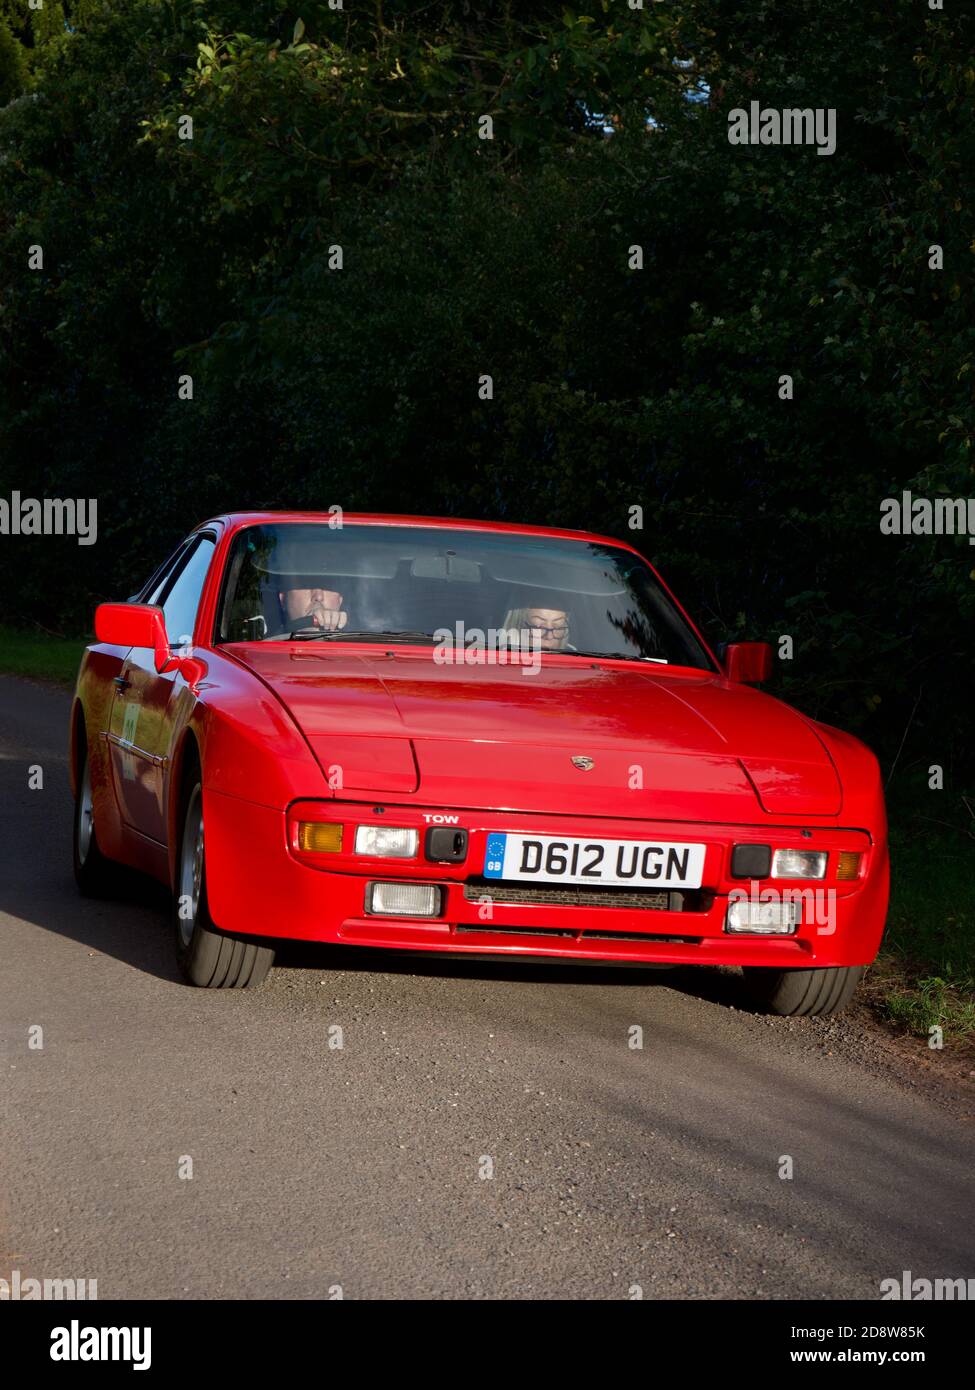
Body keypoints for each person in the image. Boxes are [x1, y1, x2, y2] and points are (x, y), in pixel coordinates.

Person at [503, 604, 573, 651]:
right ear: (518, 626)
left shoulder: (576, 662)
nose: (549, 636)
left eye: (558, 627)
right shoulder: (495, 660)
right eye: (539, 627)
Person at [279, 586, 348, 632]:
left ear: (340, 600)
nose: (318, 597)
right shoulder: (269, 647)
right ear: (283, 599)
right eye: (304, 584)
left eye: (328, 586)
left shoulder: (356, 646)